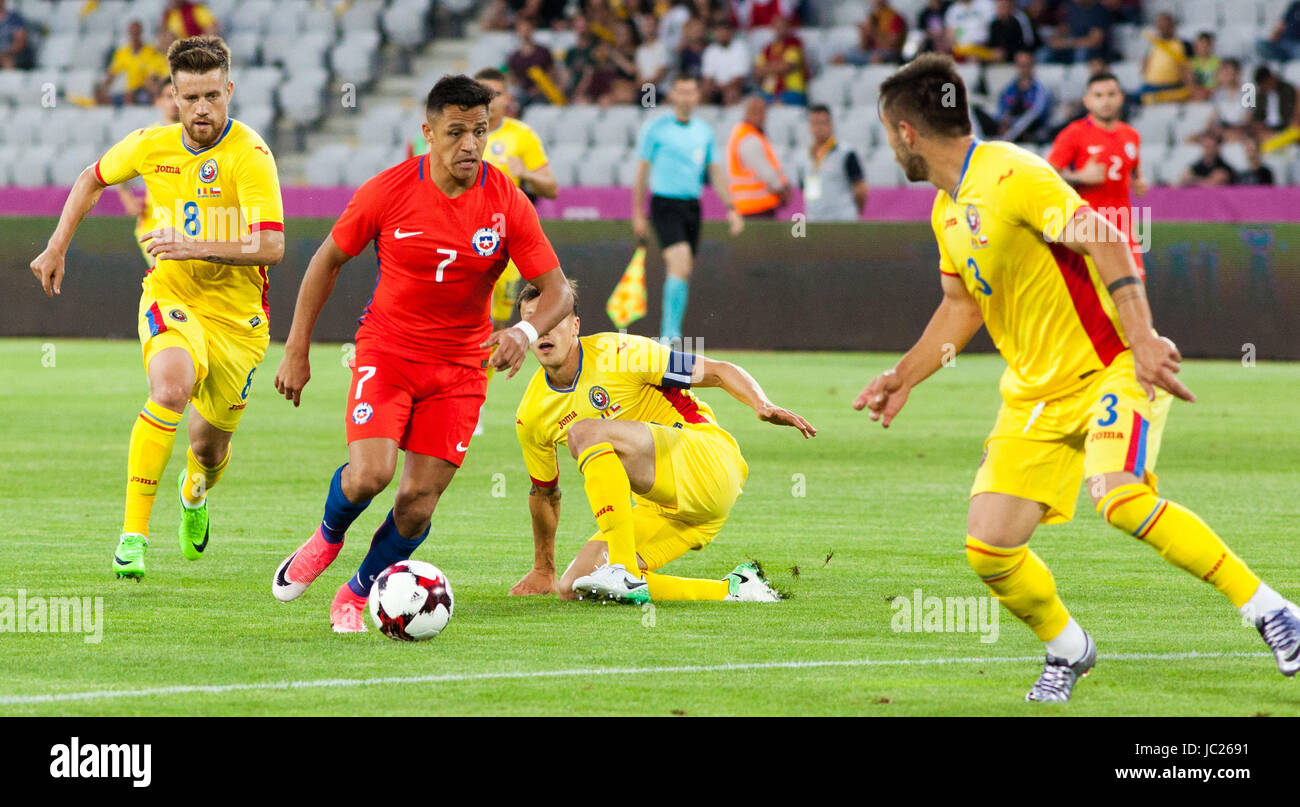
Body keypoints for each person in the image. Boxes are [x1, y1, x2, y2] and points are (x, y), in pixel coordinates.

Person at [857, 54, 1300, 702]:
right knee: (989, 547)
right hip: (1034, 392)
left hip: (1110, 365)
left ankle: (1271, 609)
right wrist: (905, 375)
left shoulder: (1014, 174)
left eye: (887, 133)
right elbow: (962, 306)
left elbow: (1104, 235)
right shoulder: (946, 213)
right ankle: (1068, 646)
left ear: (905, 132)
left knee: (1119, 497)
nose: (891, 147)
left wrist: (1143, 335)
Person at [270, 75, 575, 633]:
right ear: (428, 132)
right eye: (456, 132)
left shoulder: (506, 199)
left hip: (461, 369)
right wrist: (296, 350)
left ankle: (356, 591)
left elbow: (558, 290)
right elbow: (326, 260)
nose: (470, 145)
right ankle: (325, 539)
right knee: (370, 476)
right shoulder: (387, 190)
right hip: (388, 352)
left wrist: (523, 334)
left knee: (418, 502)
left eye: (479, 131)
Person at [29, 36, 285, 580]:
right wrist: (56, 246)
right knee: (169, 388)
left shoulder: (251, 155)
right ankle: (133, 536)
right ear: (172, 94)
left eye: (212, 96)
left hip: (240, 322)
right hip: (172, 295)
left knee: (209, 450)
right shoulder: (151, 145)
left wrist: (194, 244)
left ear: (229, 91)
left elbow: (273, 247)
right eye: (190, 97)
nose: (201, 109)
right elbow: (90, 180)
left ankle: (193, 492)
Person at [508, 281, 813, 603]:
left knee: (584, 432)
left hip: (706, 460)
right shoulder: (531, 414)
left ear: (575, 326)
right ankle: (737, 590)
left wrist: (761, 404)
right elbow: (544, 494)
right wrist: (544, 570)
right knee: (577, 587)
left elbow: (719, 371)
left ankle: (623, 569)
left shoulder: (621, 354)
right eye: (533, 323)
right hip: (670, 512)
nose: (543, 331)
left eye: (552, 319)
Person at [631, 75, 744, 345]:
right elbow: (642, 172)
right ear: (673, 95)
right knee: (679, 264)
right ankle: (669, 335)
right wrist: (637, 212)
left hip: (692, 207)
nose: (685, 97)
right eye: (680, 92)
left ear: (697, 96)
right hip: (664, 204)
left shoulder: (703, 131)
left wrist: (731, 207)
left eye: (691, 92)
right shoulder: (655, 129)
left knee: (684, 270)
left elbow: (714, 170)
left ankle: (671, 330)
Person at [1048, 71, 1147, 277]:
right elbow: (1047, 175)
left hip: (1123, 223)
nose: (1106, 101)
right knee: (1098, 293)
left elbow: (1134, 171)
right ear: (1087, 101)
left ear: (1120, 98)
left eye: (1111, 94)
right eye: (1098, 95)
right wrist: (1080, 177)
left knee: (1136, 284)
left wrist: (1138, 182)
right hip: (1089, 224)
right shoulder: (1073, 134)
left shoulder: (1131, 136)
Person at [116, 77, 181, 269]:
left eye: (178, 97)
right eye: (168, 96)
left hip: (193, 226)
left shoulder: (199, 137)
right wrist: (127, 198)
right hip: (155, 226)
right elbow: (115, 168)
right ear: (158, 101)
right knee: (170, 283)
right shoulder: (148, 139)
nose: (174, 103)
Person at [798, 104, 867, 222]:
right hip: (815, 220)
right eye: (815, 123)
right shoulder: (804, 156)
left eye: (822, 123)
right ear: (809, 126)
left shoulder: (845, 153)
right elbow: (806, 189)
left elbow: (860, 190)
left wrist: (852, 212)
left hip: (841, 220)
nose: (818, 127)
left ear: (831, 125)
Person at [726, 95, 790, 218]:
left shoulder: (742, 134)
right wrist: (781, 188)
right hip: (756, 208)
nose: (759, 116)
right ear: (746, 113)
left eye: (761, 111)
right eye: (755, 111)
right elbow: (766, 172)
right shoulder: (749, 138)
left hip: (746, 207)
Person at [980, 50, 1052, 144]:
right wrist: (1004, 122)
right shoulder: (1010, 88)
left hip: (1029, 128)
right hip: (1008, 125)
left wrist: (1012, 127)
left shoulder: (1040, 89)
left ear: (1032, 66)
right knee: (977, 111)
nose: (1024, 69)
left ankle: (1004, 139)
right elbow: (1002, 107)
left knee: (1028, 121)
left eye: (1026, 65)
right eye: (1020, 65)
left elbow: (1036, 113)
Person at [97, 20, 170, 106]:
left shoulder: (150, 52)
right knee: (102, 99)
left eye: (136, 32)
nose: (134, 35)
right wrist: (103, 88)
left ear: (141, 33)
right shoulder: (122, 52)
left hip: (144, 91)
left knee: (134, 98)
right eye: (132, 32)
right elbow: (112, 74)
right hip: (130, 92)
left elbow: (150, 79)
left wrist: (136, 91)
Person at [1136, 12, 1191, 104]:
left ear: (1172, 25)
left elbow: (1188, 69)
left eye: (1165, 24)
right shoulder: (1153, 45)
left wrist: (1188, 86)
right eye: (1160, 24)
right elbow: (1144, 67)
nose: (1162, 27)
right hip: (1149, 85)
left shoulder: (1183, 44)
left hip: (1170, 86)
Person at [833, 0, 908, 65]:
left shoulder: (895, 18)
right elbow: (863, 47)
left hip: (889, 55)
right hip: (871, 53)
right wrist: (863, 33)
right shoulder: (872, 16)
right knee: (838, 59)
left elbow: (892, 47)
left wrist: (873, 31)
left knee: (876, 59)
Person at [754, 15, 808, 106]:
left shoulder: (794, 45)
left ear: (789, 28)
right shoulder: (767, 49)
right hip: (769, 93)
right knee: (754, 105)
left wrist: (767, 67)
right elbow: (757, 72)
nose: (779, 29)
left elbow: (786, 67)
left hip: (793, 91)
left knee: (778, 105)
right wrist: (777, 66)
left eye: (782, 26)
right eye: (776, 26)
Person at [507, 15, 559, 107]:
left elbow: (552, 74)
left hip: (543, 93)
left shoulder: (543, 52)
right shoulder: (515, 57)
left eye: (527, 28)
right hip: (524, 95)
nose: (524, 32)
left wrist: (538, 89)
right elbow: (513, 78)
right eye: (521, 29)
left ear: (532, 30)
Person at [1045, 0, 1113, 65]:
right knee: (1044, 53)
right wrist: (1055, 39)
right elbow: (1064, 29)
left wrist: (1066, 43)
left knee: (1081, 52)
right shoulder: (1072, 8)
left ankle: (1079, 76)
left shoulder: (1100, 11)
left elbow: (1095, 42)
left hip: (1095, 53)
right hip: (1072, 48)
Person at [701, 20, 749, 106]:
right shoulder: (710, 50)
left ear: (731, 33)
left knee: (731, 93)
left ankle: (730, 118)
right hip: (716, 87)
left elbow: (739, 79)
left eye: (725, 31)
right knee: (703, 92)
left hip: (736, 88)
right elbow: (707, 77)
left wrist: (722, 88)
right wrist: (712, 87)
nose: (722, 35)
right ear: (715, 34)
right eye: (719, 32)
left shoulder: (740, 47)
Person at [0, 0, 33, 70]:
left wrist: (6, 52)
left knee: (7, 60)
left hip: (15, 55)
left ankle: (10, 80)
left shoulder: (14, 18)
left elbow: (20, 42)